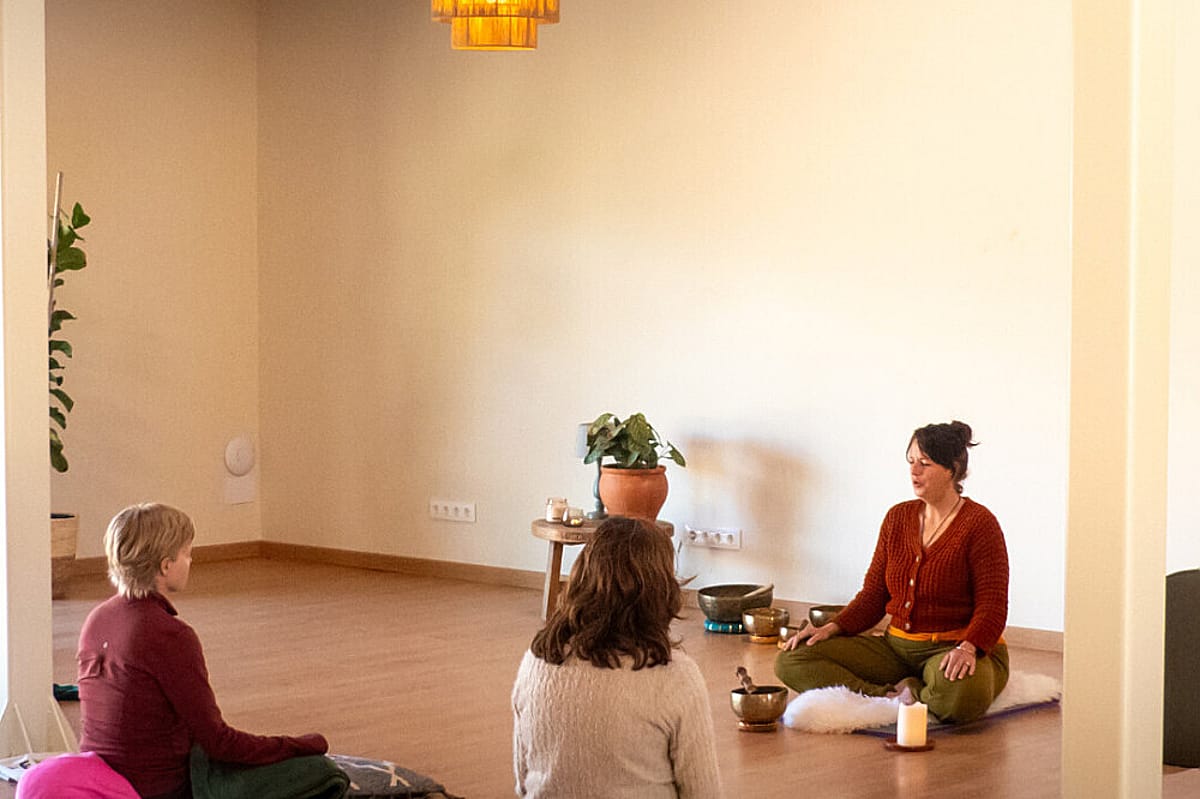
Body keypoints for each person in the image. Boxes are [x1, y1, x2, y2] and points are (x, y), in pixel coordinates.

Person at [77, 503, 341, 799]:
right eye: (187, 554)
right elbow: (220, 742)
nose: (191, 561)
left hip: (103, 776)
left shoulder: (96, 619)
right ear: (166, 565)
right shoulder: (169, 635)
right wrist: (302, 745)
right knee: (321, 772)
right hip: (160, 789)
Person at [775, 421, 1010, 724]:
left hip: (954, 649)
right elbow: (873, 594)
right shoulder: (897, 518)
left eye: (925, 463)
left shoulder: (980, 524)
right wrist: (831, 629)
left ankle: (917, 689)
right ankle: (886, 696)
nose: (914, 471)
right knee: (792, 659)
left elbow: (993, 605)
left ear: (952, 468)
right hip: (896, 648)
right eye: (911, 462)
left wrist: (969, 648)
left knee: (964, 696)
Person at [511, 516, 721, 798]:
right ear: (661, 589)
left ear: (581, 576)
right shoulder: (676, 677)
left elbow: (523, 782)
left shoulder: (536, 662)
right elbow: (703, 792)